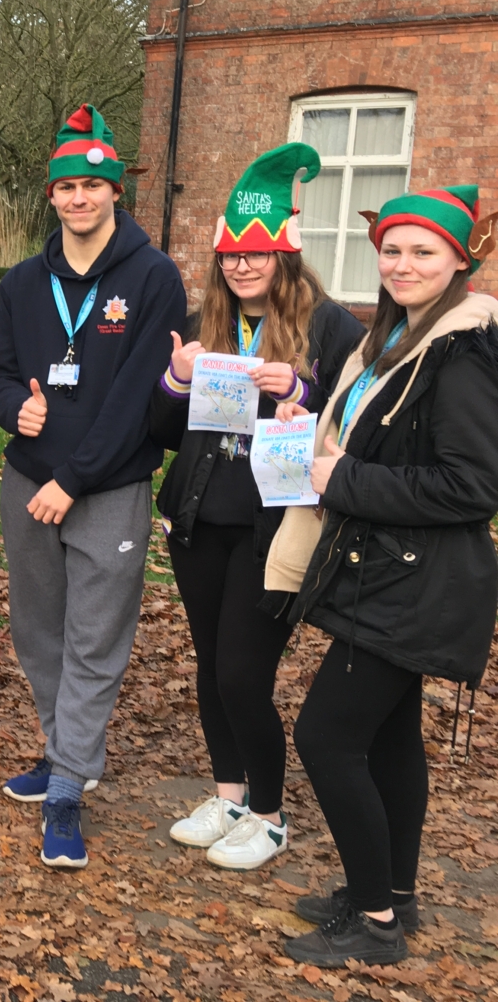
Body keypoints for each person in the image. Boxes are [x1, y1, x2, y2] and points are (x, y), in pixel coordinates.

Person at [266, 186, 498, 968]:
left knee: (326, 736)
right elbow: (378, 442)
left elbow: (471, 487)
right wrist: (322, 442)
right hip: (386, 573)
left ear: (460, 261)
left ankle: (373, 922)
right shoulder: (394, 336)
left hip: (418, 584)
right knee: (391, 740)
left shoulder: (462, 351)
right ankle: (394, 892)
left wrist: (343, 478)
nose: (402, 264)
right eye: (392, 249)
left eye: (422, 251)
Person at [150, 144, 364, 870]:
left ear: (286, 256)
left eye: (259, 252)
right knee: (212, 665)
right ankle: (230, 794)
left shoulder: (332, 328)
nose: (243, 266)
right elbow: (159, 434)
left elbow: (355, 429)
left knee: (244, 671)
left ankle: (269, 815)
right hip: (201, 518)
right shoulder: (196, 320)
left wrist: (300, 395)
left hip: (277, 527)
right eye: (232, 255)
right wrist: (175, 382)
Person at [0, 104, 186, 868]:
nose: (78, 198)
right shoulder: (22, 281)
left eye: (91, 186)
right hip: (28, 481)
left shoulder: (153, 275)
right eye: (65, 186)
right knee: (39, 630)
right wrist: (16, 407)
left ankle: (68, 784)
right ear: (51, 196)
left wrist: (73, 478)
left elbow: (139, 397)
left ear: (114, 193)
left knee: (94, 638)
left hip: (106, 488)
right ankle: (64, 747)